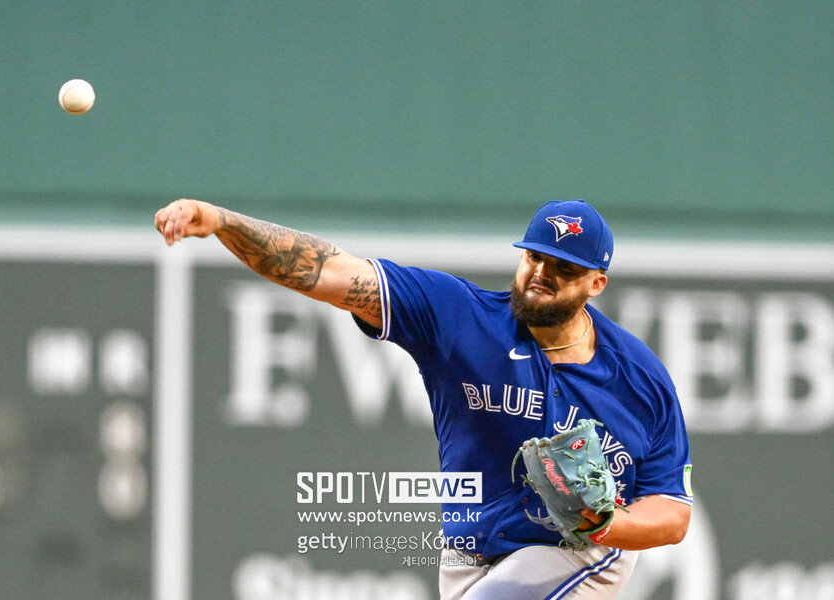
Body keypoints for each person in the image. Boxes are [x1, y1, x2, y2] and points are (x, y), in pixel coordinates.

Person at [155, 198, 693, 599]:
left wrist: (604, 525)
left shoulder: (639, 378)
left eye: (564, 270)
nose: (540, 277)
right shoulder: (459, 318)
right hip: (467, 557)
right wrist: (224, 221)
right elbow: (330, 270)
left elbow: (671, 514)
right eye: (535, 258)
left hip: (577, 553)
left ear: (596, 283)